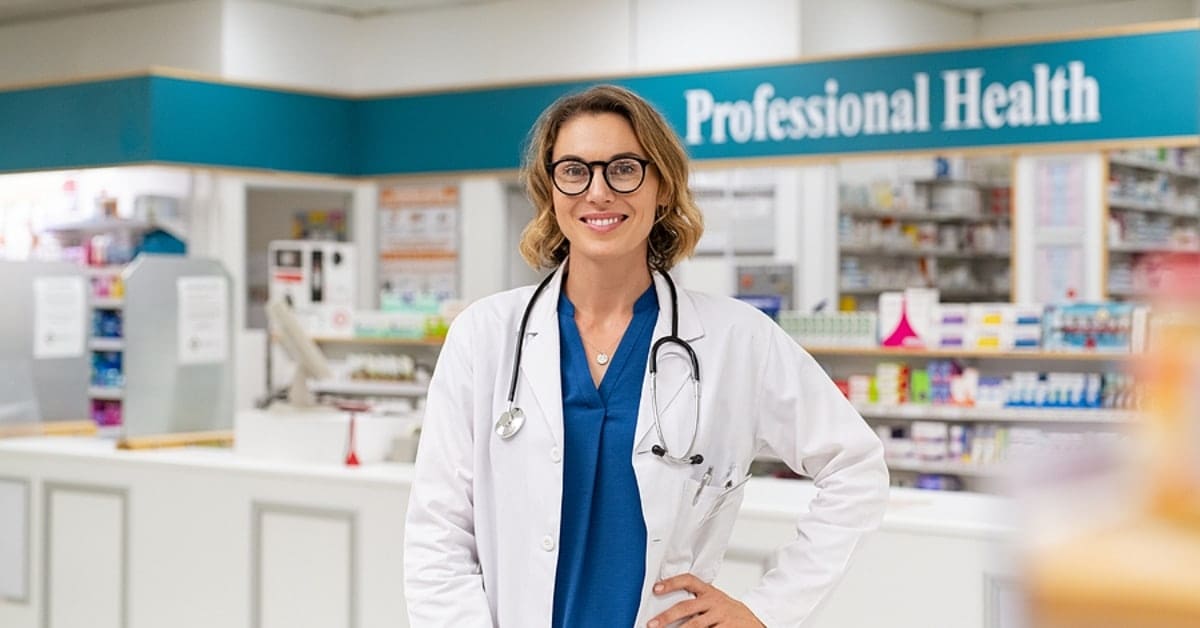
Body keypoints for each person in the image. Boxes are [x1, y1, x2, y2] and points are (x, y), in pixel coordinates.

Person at [404, 84, 888, 628]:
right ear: (550, 190)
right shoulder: (486, 336)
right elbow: (438, 532)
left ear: (662, 188)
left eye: (625, 169)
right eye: (574, 170)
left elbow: (855, 467)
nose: (598, 192)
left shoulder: (736, 339)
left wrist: (767, 610)